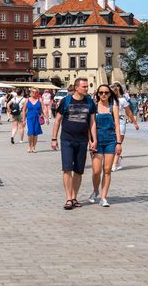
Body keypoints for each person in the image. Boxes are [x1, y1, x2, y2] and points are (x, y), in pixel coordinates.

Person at [51, 77, 96, 209]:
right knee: (67, 169)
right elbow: (58, 121)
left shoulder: (90, 102)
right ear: (76, 88)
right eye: (84, 86)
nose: (87, 89)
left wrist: (94, 140)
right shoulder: (66, 101)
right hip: (67, 139)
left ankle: (74, 197)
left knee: (78, 171)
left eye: (87, 86)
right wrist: (54, 139)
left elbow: (92, 123)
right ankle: (68, 198)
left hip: (82, 140)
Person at [90, 85, 122, 207]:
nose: (103, 95)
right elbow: (90, 125)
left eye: (106, 93)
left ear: (110, 94)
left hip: (110, 140)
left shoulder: (113, 107)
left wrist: (119, 142)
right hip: (97, 141)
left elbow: (117, 125)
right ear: (97, 94)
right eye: (101, 92)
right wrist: (90, 141)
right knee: (96, 171)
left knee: (107, 170)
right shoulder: (93, 107)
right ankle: (95, 190)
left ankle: (103, 197)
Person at [110, 82, 138, 171]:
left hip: (121, 121)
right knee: (112, 144)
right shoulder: (107, 101)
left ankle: (114, 164)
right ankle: (115, 162)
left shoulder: (122, 100)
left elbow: (129, 112)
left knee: (118, 143)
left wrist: (135, 122)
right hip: (111, 122)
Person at [24, 88, 44, 153]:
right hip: (29, 118)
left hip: (37, 118)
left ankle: (34, 147)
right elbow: (24, 110)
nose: (34, 93)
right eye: (33, 92)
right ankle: (30, 146)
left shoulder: (40, 100)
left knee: (35, 133)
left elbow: (43, 109)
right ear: (30, 92)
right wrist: (23, 120)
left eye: (36, 92)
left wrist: (46, 118)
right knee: (30, 132)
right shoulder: (27, 100)